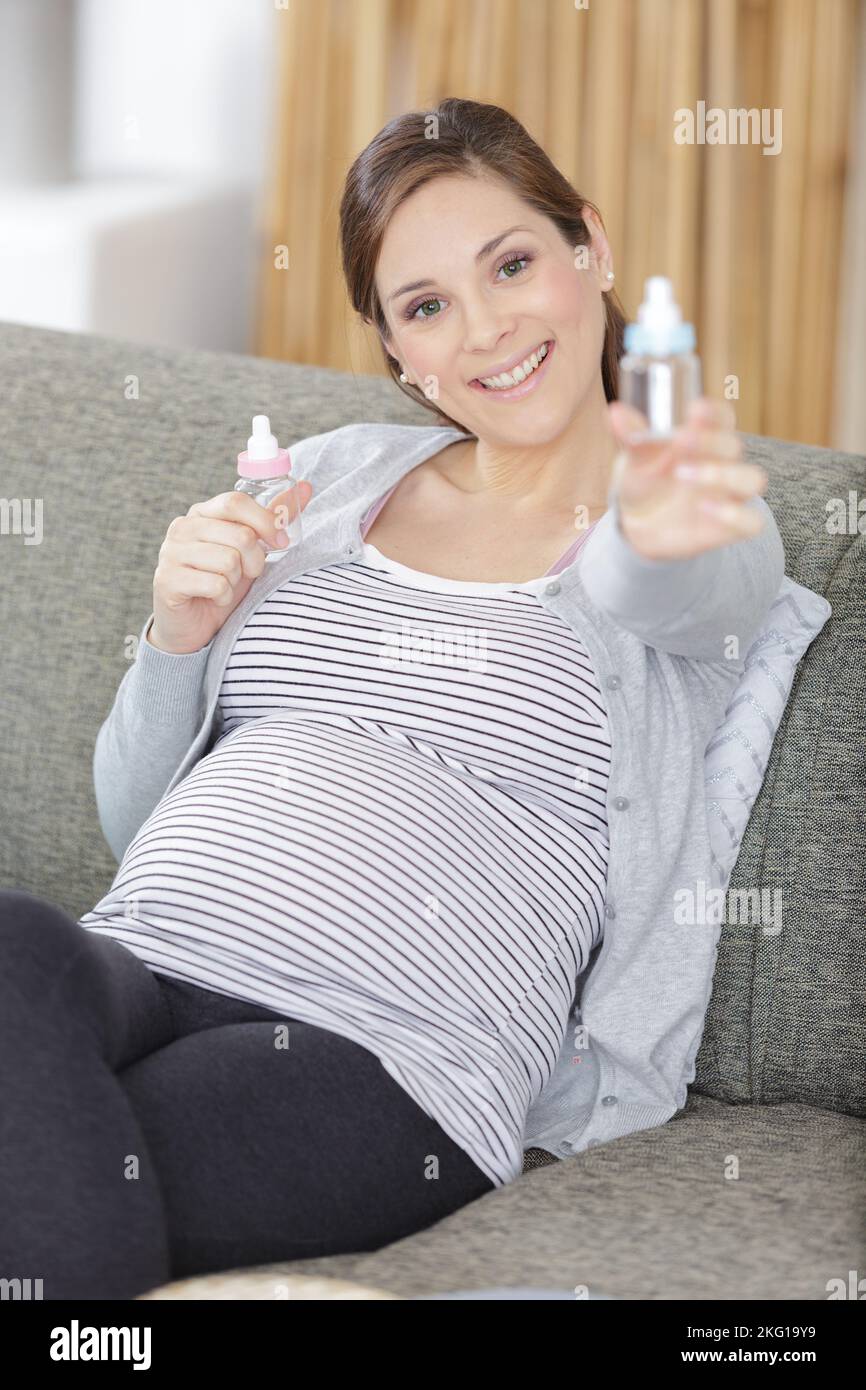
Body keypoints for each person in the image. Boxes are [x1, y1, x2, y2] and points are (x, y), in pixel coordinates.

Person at [1, 97, 782, 1300]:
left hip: (379, 1049)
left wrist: (647, 517)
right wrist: (174, 638)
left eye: (511, 264)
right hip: (144, 957)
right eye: (425, 306)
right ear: (394, 348)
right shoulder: (314, 483)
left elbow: (665, 579)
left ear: (591, 245)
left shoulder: (698, 536)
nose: (484, 330)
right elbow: (126, 824)